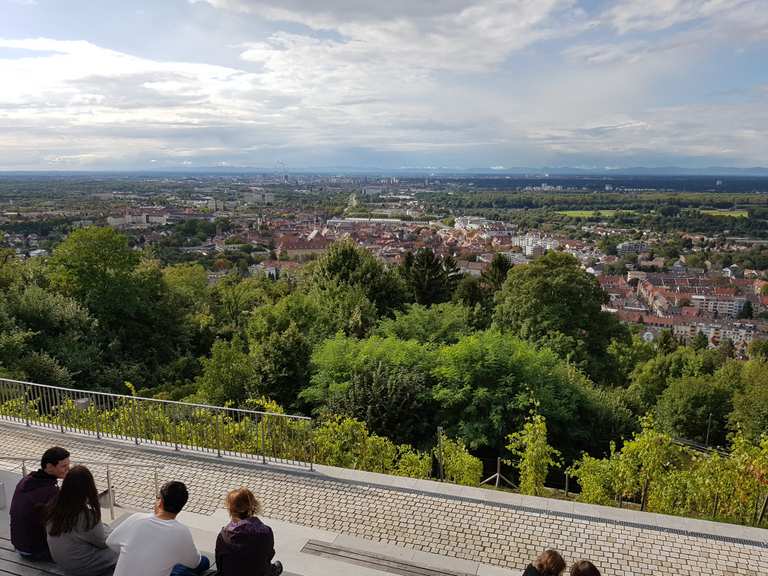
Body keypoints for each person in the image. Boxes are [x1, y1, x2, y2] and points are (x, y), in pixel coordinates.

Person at [106, 480, 210, 576]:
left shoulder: (136, 518)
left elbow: (110, 542)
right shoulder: (182, 532)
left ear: (160, 502)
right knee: (203, 561)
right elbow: (195, 563)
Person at [45, 465, 119, 576]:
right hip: (82, 567)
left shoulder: (53, 506)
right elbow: (103, 542)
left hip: (63, 562)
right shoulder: (86, 516)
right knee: (124, 548)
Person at [10, 446, 71, 561]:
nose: (68, 469)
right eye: (64, 466)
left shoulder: (27, 479)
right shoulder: (50, 491)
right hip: (34, 551)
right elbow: (62, 522)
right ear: (49, 466)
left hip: (19, 545)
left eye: (68, 465)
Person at [215, 487, 282, 576]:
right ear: (252, 506)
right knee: (275, 566)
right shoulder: (266, 532)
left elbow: (219, 563)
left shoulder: (223, 536)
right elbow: (269, 555)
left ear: (231, 510)